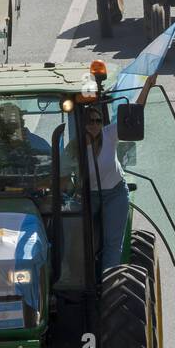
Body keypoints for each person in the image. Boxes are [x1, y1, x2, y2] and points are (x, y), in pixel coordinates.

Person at [65, 73, 158, 273]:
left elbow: (135, 112)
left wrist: (147, 86)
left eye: (98, 120)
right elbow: (63, 175)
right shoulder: (74, 148)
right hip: (87, 196)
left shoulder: (109, 134)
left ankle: (110, 284)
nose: (94, 124)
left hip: (115, 194)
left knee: (113, 243)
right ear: (82, 123)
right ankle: (76, 277)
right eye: (90, 121)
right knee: (75, 239)